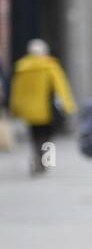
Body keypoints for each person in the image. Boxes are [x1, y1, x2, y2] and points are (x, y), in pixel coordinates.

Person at [9, 39, 76, 175]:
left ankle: (37, 158)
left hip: (30, 109)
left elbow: (16, 90)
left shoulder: (22, 67)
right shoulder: (49, 66)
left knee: (35, 135)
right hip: (47, 108)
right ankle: (46, 161)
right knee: (47, 136)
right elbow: (60, 87)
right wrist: (67, 105)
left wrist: (15, 107)